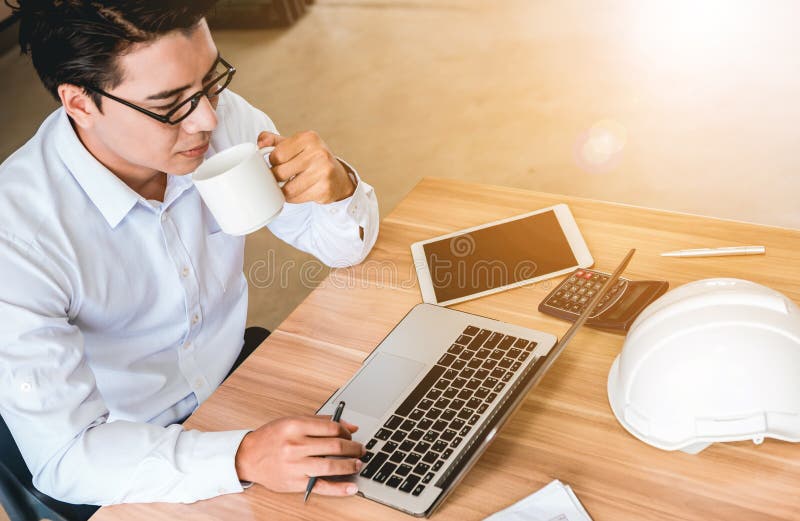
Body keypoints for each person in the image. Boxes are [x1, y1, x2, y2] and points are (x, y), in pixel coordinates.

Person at [0, 0, 379, 512]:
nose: (207, 118)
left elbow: (341, 248)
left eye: (210, 80)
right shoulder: (17, 237)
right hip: (121, 452)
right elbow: (66, 456)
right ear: (80, 103)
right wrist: (242, 456)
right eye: (170, 103)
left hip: (233, 381)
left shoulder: (222, 122)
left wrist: (336, 190)